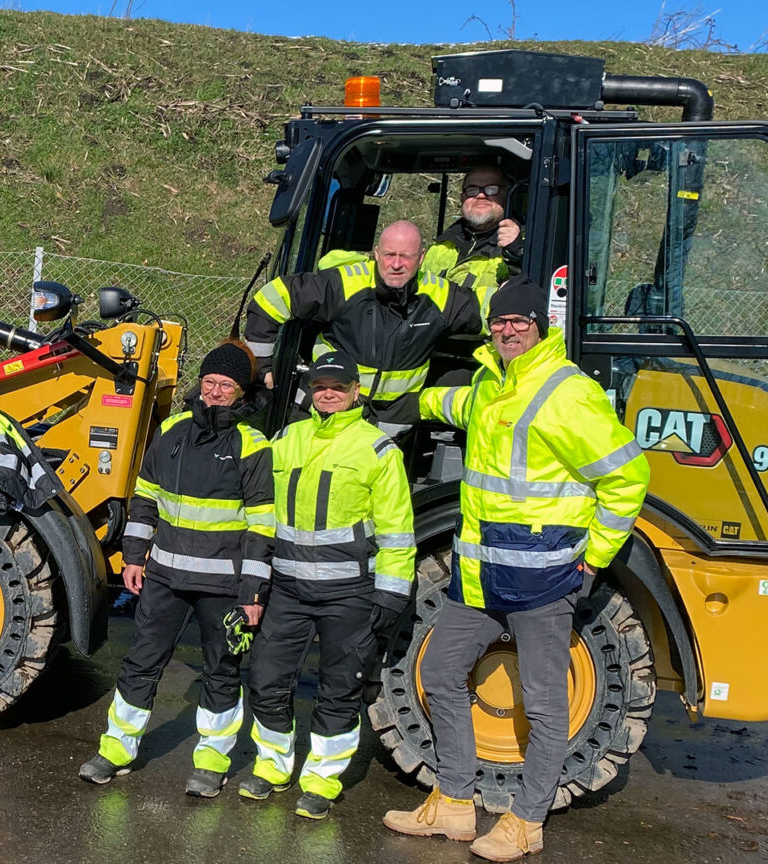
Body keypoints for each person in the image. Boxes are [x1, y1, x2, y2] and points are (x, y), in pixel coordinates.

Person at [382, 278, 650, 861]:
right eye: (499, 322)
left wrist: (593, 561)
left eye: (518, 322)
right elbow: (441, 403)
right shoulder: (486, 383)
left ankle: (526, 821)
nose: (507, 329)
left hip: (542, 582)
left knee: (546, 702)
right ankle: (454, 802)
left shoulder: (566, 392)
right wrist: (376, 395)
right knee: (440, 674)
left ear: (538, 325)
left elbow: (628, 477)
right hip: (478, 581)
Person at [78, 341, 275, 798]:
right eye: (209, 382)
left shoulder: (252, 445)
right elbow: (145, 497)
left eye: (226, 385)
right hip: (164, 576)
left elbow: (263, 527)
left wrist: (251, 595)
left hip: (222, 587)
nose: (215, 391)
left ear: (241, 393)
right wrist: (132, 557)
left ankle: (211, 761)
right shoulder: (172, 431)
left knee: (222, 669)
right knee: (141, 662)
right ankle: (117, 749)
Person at [237, 350, 415, 820]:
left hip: (350, 595)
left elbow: (397, 532)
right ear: (311, 391)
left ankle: (321, 780)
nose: (329, 394)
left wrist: (391, 594)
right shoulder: (287, 439)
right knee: (266, 680)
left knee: (339, 690)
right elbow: (259, 510)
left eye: (338, 386)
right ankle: (273, 767)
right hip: (288, 590)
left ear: (356, 391)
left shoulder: (378, 450)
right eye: (321, 387)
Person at [245, 220, 482, 437]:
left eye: (405, 256)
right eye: (389, 255)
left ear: (421, 258)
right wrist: (263, 367)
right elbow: (272, 298)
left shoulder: (441, 296)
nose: (396, 264)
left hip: (387, 432)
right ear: (376, 254)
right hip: (321, 417)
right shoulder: (345, 283)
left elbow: (498, 309)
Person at [420, 165, 524, 323]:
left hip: (487, 343)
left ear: (507, 196)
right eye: (472, 190)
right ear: (462, 198)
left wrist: (517, 256)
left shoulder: (527, 245)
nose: (481, 196)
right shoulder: (439, 247)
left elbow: (523, 302)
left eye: (491, 189)